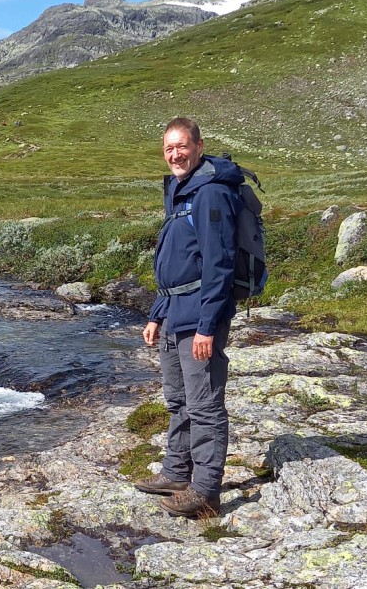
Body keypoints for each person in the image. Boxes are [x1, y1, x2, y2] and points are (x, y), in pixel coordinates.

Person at [136, 117, 244, 519]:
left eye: (182, 146)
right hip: (173, 313)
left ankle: (205, 491)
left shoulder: (211, 194)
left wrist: (207, 326)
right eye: (168, 148)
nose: (175, 154)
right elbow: (176, 264)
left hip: (199, 316)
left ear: (199, 146)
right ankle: (176, 472)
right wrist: (156, 313)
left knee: (204, 406)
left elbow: (219, 265)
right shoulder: (181, 192)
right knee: (177, 401)